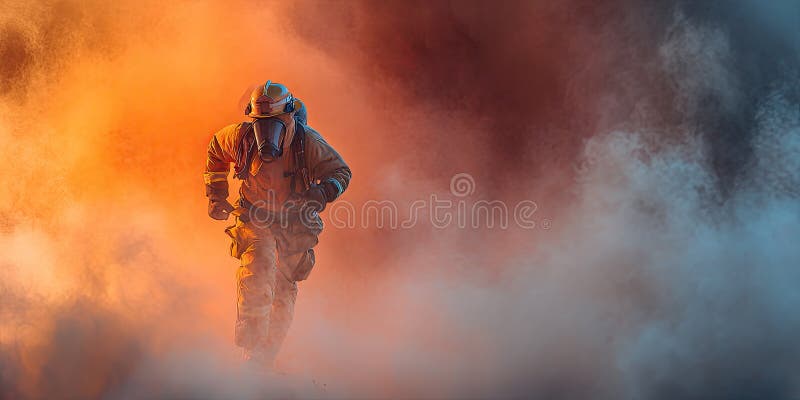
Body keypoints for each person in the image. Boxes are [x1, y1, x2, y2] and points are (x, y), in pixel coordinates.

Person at [203, 81, 351, 368]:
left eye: (275, 123)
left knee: (284, 288)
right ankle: (250, 346)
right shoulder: (240, 137)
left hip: (295, 222)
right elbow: (215, 150)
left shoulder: (308, 143)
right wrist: (216, 193)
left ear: (289, 118)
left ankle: (263, 360)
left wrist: (322, 192)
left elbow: (341, 171)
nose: (266, 132)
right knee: (258, 268)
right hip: (254, 217)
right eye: (261, 123)